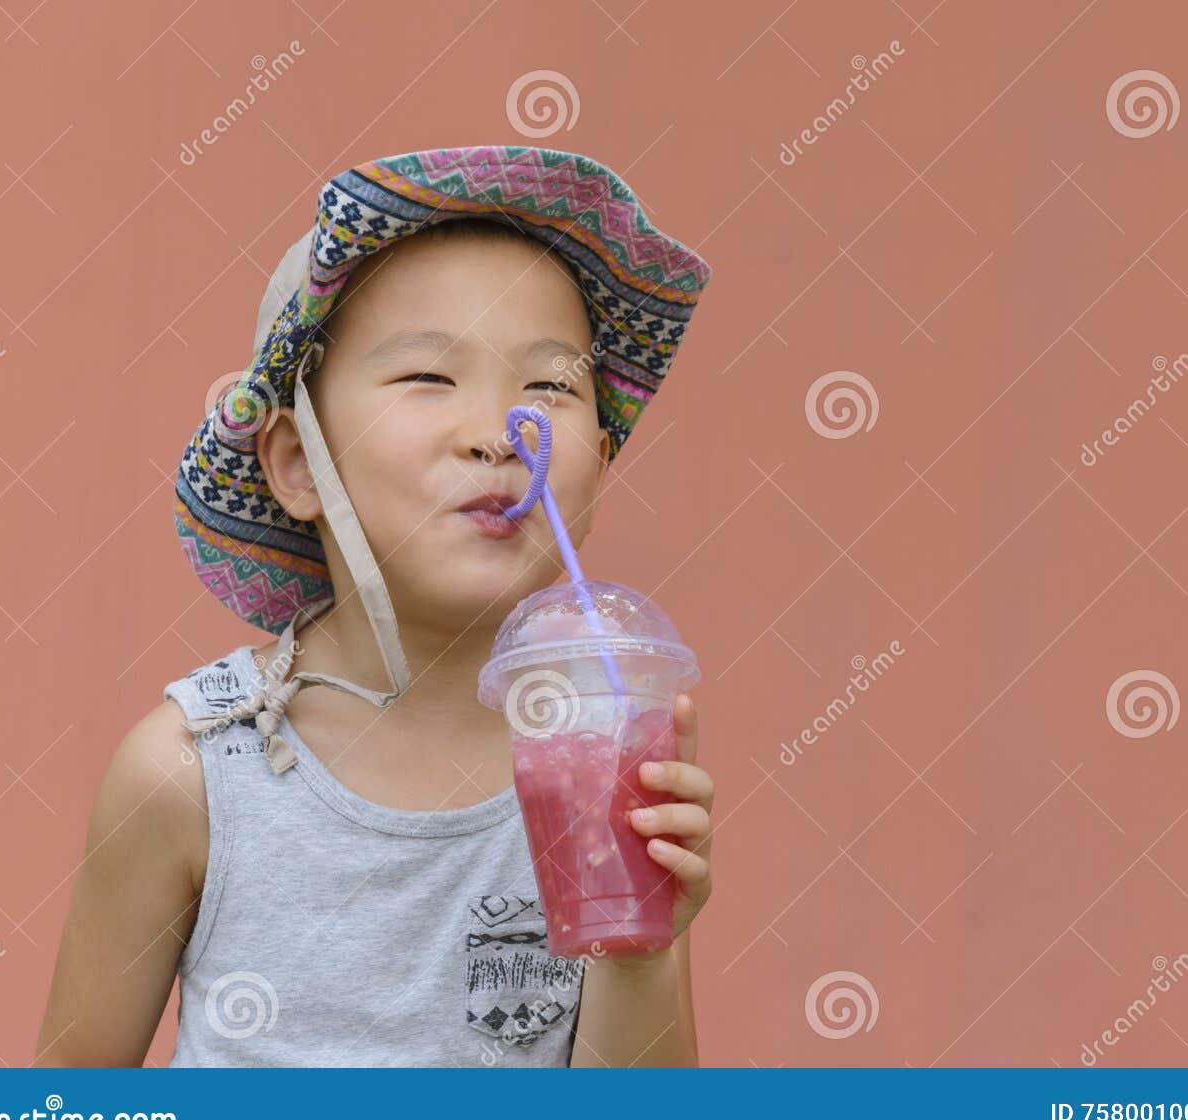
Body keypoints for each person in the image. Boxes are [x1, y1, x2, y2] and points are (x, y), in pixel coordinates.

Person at [36, 147, 715, 1066]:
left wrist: (643, 945)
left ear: (599, 461)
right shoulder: (193, 775)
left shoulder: (595, 751)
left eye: (551, 386)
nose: (498, 434)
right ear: (295, 464)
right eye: (429, 378)